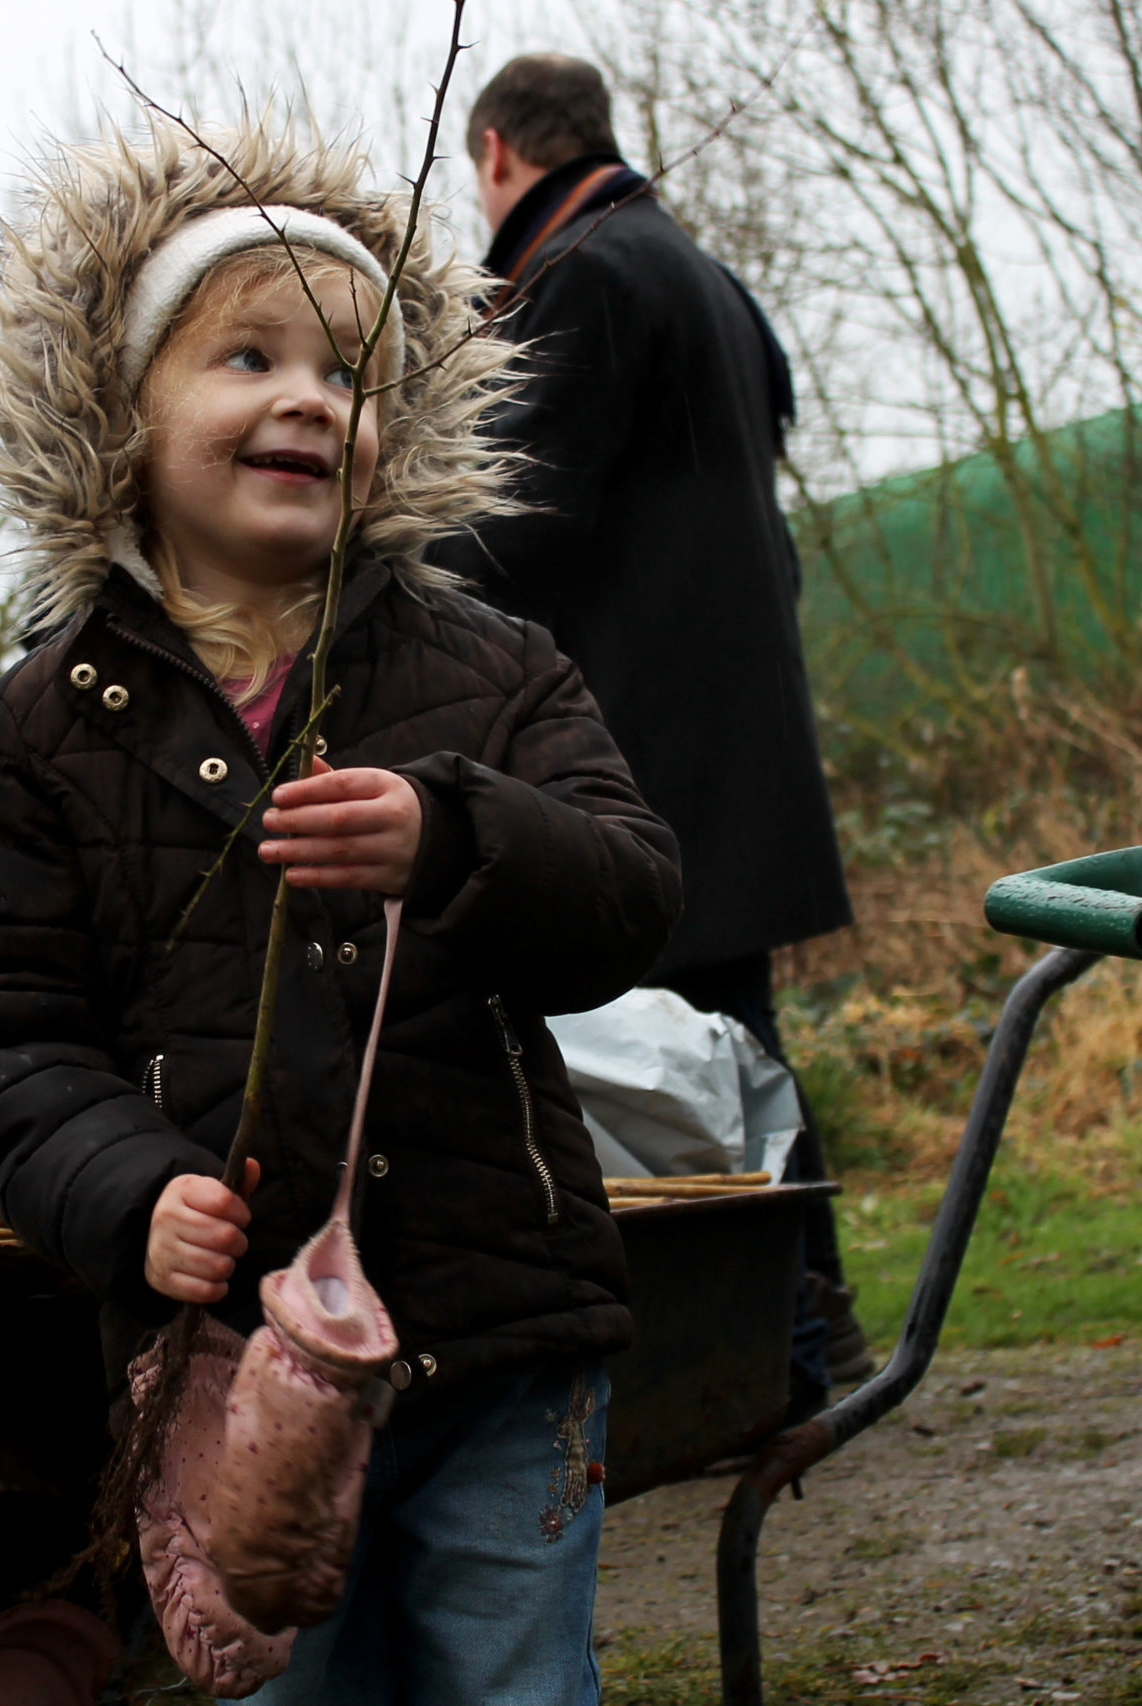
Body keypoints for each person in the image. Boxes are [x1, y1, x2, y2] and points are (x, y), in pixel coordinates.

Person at [0, 122, 681, 1703]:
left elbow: (632, 897)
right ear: (121, 418)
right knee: (284, 1684)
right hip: (231, 1354)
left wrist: (461, 834)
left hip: (496, 1320)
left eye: (347, 372)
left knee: (513, 1683)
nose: (306, 399)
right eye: (247, 355)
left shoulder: (491, 667)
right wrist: (130, 1191)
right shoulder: (47, 724)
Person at [436, 54, 866, 1388]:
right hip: (733, 732)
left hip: (654, 743)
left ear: (498, 151)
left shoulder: (586, 279)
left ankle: (776, 1333)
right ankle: (808, 1320)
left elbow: (514, 514)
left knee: (687, 1056)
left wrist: (380, 585)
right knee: (732, 1041)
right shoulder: (698, 272)